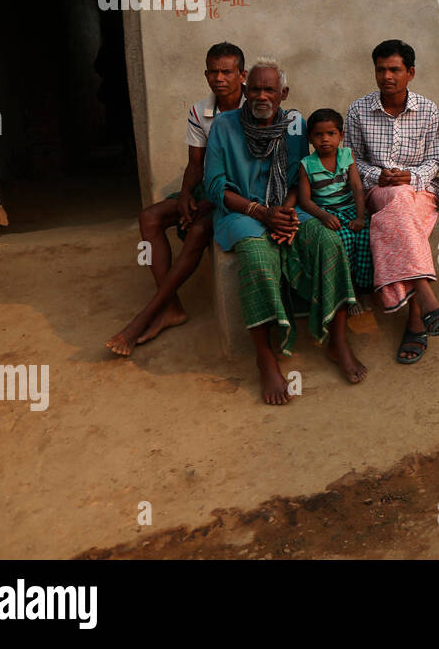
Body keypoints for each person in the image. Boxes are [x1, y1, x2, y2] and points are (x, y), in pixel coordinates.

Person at [205, 59, 365, 405]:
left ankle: (338, 340)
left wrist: (286, 212)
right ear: (245, 90)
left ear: (284, 93)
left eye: (270, 90)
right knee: (256, 255)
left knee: (329, 240)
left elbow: (296, 178)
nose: (261, 96)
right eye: (255, 89)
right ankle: (265, 356)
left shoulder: (295, 125)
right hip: (242, 211)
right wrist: (261, 213)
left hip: (286, 207)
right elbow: (215, 186)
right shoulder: (224, 126)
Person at [107, 42, 246, 356]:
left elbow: (249, 171)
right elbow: (196, 164)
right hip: (208, 185)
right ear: (205, 74)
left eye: (227, 72)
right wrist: (185, 196)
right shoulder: (201, 111)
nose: (219, 78)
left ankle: (144, 317)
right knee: (149, 217)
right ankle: (170, 306)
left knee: (197, 229)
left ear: (242, 75)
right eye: (213, 71)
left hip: (240, 191)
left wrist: (209, 202)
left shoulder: (255, 106)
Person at [344, 40, 439, 365]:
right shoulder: (358, 110)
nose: (387, 76)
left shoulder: (428, 109)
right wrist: (378, 175)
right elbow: (351, 160)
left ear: (411, 73)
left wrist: (410, 177)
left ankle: (415, 315)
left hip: (421, 191)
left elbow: (435, 159)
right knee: (396, 197)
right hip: (377, 191)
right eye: (381, 70)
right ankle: (423, 304)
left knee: (403, 202)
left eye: (394, 70)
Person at [297, 108, 373, 312]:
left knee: (365, 239)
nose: (325, 139)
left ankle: (365, 289)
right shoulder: (307, 164)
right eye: (318, 134)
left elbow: (357, 187)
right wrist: (324, 216)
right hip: (328, 213)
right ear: (310, 138)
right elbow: (304, 200)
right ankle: (349, 292)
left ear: (341, 135)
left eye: (331, 133)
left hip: (351, 210)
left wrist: (360, 216)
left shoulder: (347, 155)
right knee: (343, 243)